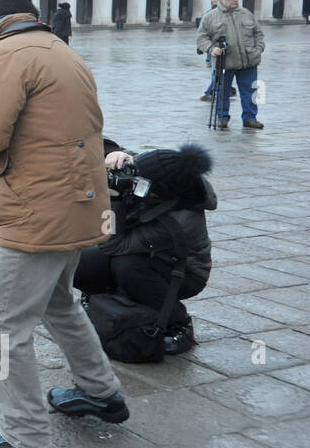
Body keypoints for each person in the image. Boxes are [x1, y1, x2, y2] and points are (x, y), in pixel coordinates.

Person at [0, 0, 125, 448]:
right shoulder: (60, 49)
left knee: (0, 321)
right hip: (77, 201)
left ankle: (24, 435)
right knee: (60, 302)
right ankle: (101, 391)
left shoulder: (7, 54)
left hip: (36, 210)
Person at [75, 143, 215, 355]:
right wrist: (120, 155)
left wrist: (113, 201)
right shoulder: (163, 172)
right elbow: (141, 163)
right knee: (81, 260)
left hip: (183, 273)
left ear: (158, 191)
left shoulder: (180, 219)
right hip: (147, 256)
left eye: (138, 182)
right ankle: (102, 302)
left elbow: (114, 244)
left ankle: (178, 321)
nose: (133, 182)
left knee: (127, 267)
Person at [197, 0, 264, 129]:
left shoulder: (246, 13)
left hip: (248, 61)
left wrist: (258, 49)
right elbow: (201, 38)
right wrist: (211, 49)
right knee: (222, 92)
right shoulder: (210, 17)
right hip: (224, 61)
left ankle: (250, 118)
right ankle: (222, 118)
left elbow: (258, 34)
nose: (235, 0)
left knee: (250, 91)